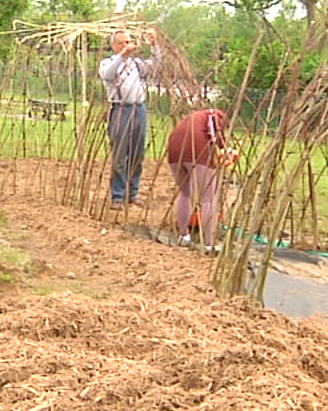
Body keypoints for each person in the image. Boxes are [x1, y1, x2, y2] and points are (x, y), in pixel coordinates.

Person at [98, 29, 160, 209]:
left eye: (128, 42)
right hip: (120, 110)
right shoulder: (108, 63)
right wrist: (122, 56)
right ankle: (117, 196)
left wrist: (154, 44)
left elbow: (156, 66)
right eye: (121, 43)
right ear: (113, 46)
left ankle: (132, 193)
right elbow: (107, 75)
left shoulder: (136, 64)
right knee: (119, 154)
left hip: (138, 109)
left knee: (137, 154)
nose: (126, 46)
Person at [166, 108, 233, 254]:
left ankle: (183, 236)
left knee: (185, 193)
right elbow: (215, 135)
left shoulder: (192, 118)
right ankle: (209, 244)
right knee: (208, 198)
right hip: (196, 149)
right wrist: (224, 149)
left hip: (174, 150)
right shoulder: (216, 115)